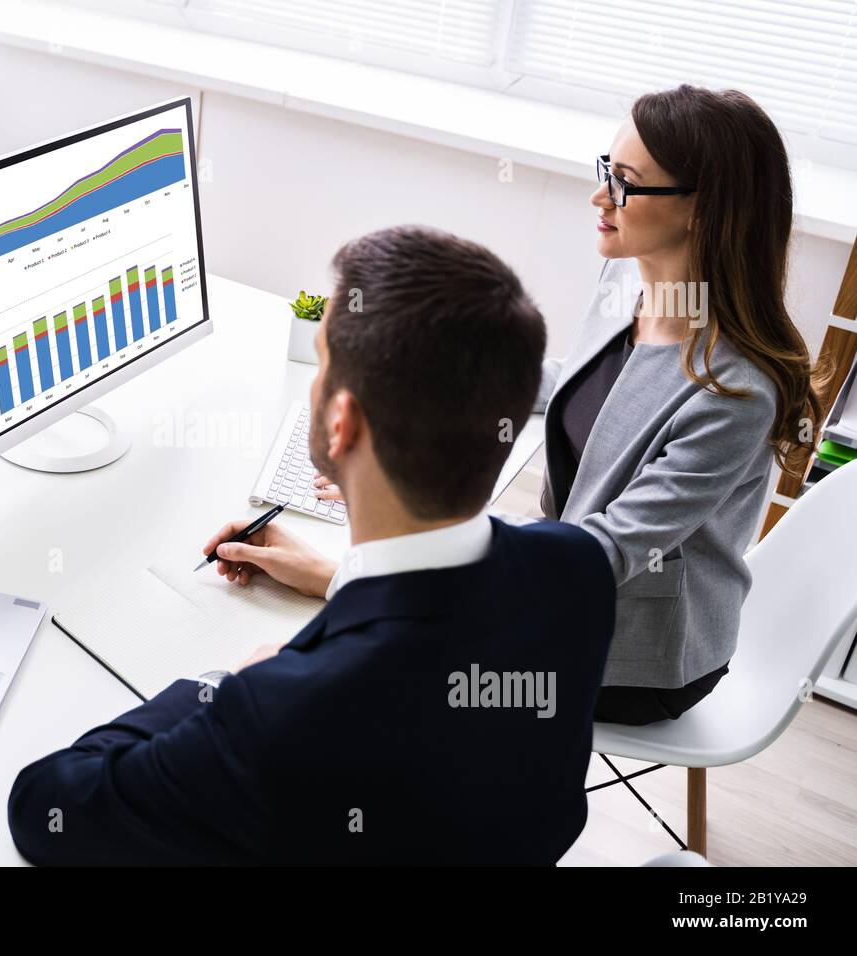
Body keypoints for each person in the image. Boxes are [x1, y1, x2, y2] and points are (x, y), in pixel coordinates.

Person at [7, 226, 616, 865]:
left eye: (321, 362)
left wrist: (223, 683)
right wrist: (340, 578)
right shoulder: (577, 568)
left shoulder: (281, 712)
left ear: (340, 421)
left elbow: (45, 807)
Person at [317, 86, 822, 725]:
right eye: (605, 169)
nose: (600, 196)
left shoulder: (735, 392)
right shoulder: (629, 274)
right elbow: (575, 384)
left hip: (638, 651)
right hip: (566, 572)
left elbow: (605, 552)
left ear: (703, 208)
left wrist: (416, 529)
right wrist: (408, 400)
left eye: (626, 184)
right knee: (366, 623)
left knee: (388, 665)